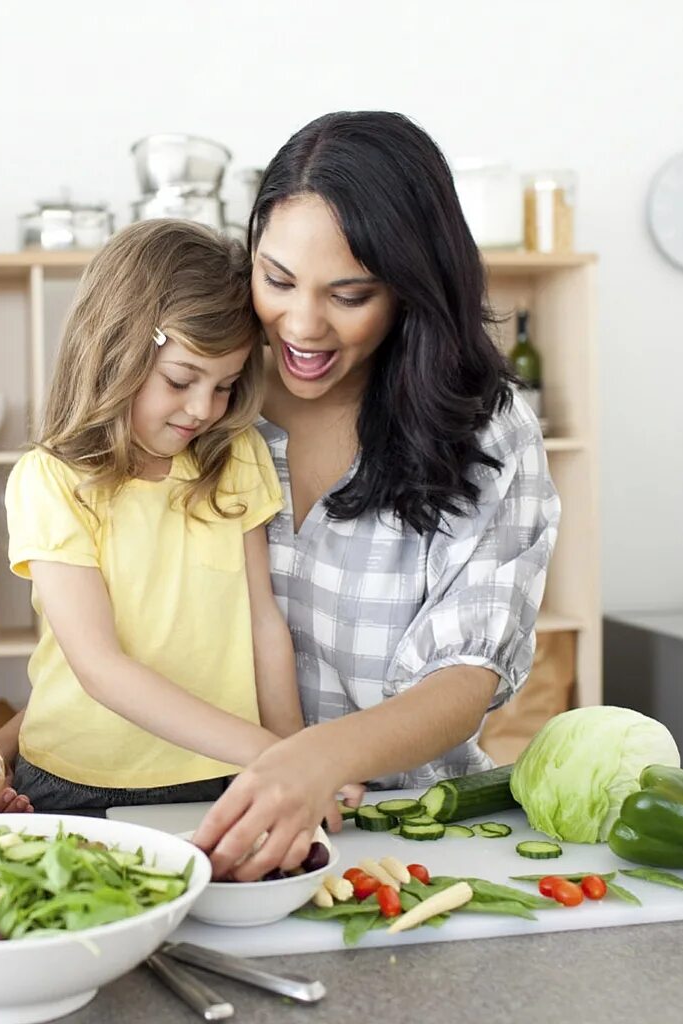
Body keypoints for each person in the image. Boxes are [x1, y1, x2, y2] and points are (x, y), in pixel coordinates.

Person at [192, 111, 561, 880]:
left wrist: (314, 761)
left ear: (412, 286)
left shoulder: (486, 433)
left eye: (349, 294)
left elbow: (463, 680)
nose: (302, 324)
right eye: (277, 280)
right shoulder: (204, 402)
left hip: (413, 840)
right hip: (205, 826)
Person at [0, 219, 305, 811]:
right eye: (181, 380)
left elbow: (264, 623)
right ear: (114, 353)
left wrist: (295, 754)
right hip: (79, 782)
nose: (202, 410)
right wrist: (270, 753)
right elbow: (100, 669)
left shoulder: (234, 455)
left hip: (223, 775)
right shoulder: (51, 480)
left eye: (225, 385)